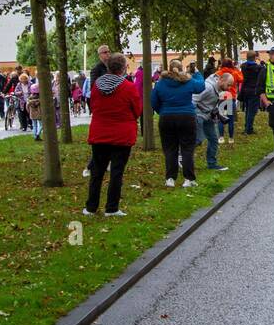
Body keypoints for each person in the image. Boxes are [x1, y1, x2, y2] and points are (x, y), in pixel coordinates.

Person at [84, 53, 142, 216]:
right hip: (122, 134)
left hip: (100, 132)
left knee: (97, 171)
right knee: (117, 171)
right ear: (123, 68)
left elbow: (93, 106)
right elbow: (137, 110)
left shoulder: (96, 86)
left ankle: (91, 206)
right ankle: (112, 207)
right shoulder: (128, 87)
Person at [152, 58, 206, 187]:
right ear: (181, 68)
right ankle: (189, 179)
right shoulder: (187, 81)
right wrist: (197, 72)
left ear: (169, 69)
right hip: (186, 117)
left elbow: (153, 101)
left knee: (170, 149)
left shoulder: (161, 83)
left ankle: (170, 178)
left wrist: (162, 111)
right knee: (187, 148)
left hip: (167, 118)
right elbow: (201, 86)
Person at [193, 72, 231, 172]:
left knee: (214, 139)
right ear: (221, 80)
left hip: (208, 116)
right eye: (228, 85)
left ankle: (212, 164)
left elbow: (212, 102)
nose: (229, 88)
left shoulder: (218, 89)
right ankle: (181, 156)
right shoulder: (208, 87)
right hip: (198, 115)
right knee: (198, 139)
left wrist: (217, 112)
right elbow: (194, 99)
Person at [215, 58, 242, 144]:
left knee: (221, 118)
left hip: (221, 98)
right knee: (230, 118)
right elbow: (241, 79)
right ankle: (231, 138)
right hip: (231, 97)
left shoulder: (219, 73)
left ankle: (221, 138)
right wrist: (236, 69)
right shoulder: (234, 72)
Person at [239, 50, 264, 135]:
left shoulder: (243, 66)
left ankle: (247, 127)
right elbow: (263, 70)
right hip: (254, 91)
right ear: (255, 57)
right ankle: (248, 129)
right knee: (252, 111)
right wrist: (259, 60)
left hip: (245, 90)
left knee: (247, 110)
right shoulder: (258, 67)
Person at [88, 45, 111, 112]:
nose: (108, 54)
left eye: (108, 52)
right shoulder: (96, 69)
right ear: (100, 55)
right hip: (103, 102)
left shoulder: (112, 66)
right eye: (105, 52)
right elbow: (93, 86)